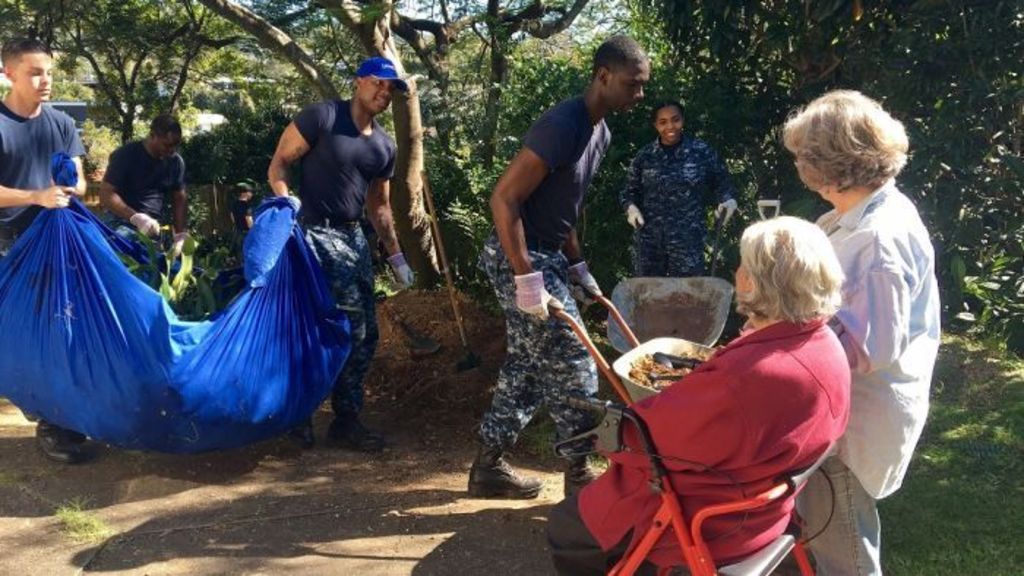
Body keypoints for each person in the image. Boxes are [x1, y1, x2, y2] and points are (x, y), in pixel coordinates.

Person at [548, 216, 851, 574]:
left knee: (567, 527)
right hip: (766, 510)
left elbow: (648, 441)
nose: (737, 271)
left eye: (743, 265)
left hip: (713, 522)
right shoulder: (825, 343)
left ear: (751, 282)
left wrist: (611, 435)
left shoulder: (749, 376)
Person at [470, 36, 650, 500]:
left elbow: (564, 207)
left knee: (528, 367)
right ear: (603, 75)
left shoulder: (601, 131)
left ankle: (488, 465)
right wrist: (526, 276)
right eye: (633, 84)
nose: (639, 95)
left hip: (548, 255)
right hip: (519, 254)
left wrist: (580, 266)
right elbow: (505, 198)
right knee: (573, 358)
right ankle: (579, 471)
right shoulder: (563, 124)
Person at [783, 90, 941, 575]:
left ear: (826, 164)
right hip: (845, 410)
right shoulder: (855, 213)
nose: (801, 168)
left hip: (857, 423)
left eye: (804, 157)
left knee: (845, 545)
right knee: (828, 530)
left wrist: (782, 348)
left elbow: (870, 348)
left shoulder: (878, 238)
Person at [267, 56, 414, 452]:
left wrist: (396, 255)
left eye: (391, 88)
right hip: (314, 233)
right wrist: (285, 205)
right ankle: (298, 415)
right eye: (378, 83)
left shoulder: (384, 146)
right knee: (336, 327)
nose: (384, 92)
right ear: (358, 82)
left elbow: (379, 206)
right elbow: (279, 162)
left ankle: (345, 419)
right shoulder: (323, 118)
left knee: (366, 335)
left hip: (354, 240)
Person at [0, 37, 89, 463]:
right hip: (5, 247)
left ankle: (57, 423)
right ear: (8, 73)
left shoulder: (61, 124)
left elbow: (81, 179)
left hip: (50, 247)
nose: (45, 80)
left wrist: (71, 188)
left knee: (54, 334)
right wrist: (35, 195)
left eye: (49, 71)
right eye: (35, 72)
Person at [620, 101, 738, 277]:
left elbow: (722, 182)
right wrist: (630, 208)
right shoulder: (645, 156)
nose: (670, 126)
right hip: (649, 242)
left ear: (683, 120)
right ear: (655, 125)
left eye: (675, 120)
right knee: (649, 297)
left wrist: (728, 199)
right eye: (663, 122)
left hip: (688, 241)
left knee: (688, 298)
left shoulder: (701, 152)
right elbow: (628, 191)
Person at [99, 114, 189, 257]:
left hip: (154, 228)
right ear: (152, 136)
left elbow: (179, 198)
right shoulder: (126, 155)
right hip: (121, 223)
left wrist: (180, 234)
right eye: (167, 144)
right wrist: (135, 217)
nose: (172, 150)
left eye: (176, 145)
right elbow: (106, 194)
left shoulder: (175, 162)